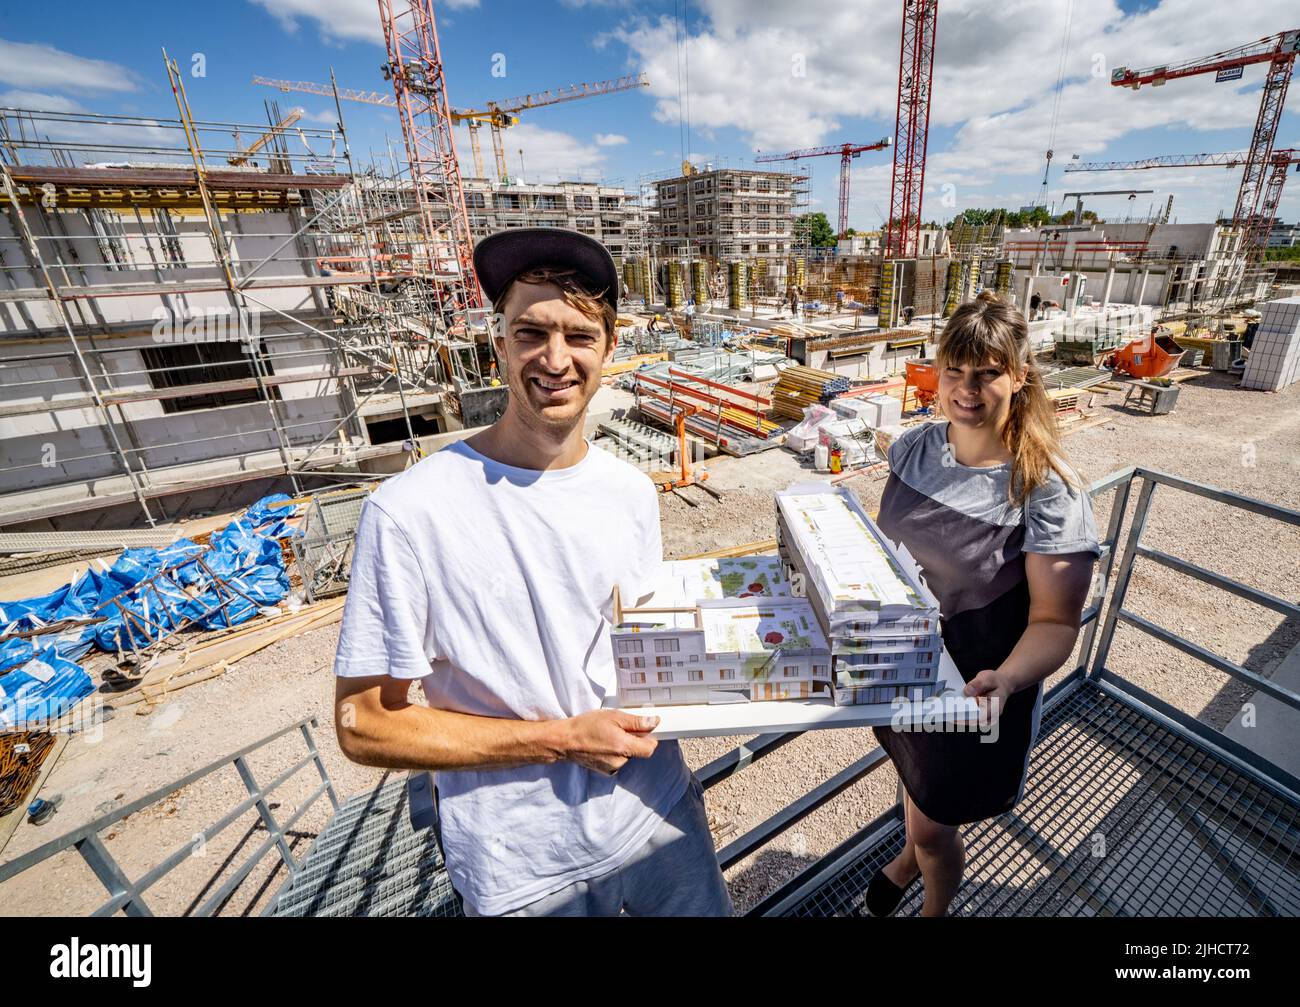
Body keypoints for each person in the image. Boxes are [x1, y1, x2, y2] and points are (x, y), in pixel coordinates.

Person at [332, 228, 732, 918]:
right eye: (531, 332)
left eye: (578, 335)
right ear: (499, 347)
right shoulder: (409, 512)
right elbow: (363, 722)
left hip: (659, 814)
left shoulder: (631, 492)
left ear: (610, 348)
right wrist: (560, 739)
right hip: (525, 871)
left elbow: (633, 647)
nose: (555, 358)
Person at [865, 289, 1100, 918]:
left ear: (1020, 377)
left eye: (988, 373)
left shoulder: (1046, 490)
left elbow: (1055, 621)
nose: (967, 389)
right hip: (908, 673)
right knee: (917, 791)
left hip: (978, 689)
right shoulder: (914, 449)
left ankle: (933, 906)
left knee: (938, 826)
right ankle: (906, 859)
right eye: (955, 370)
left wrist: (1009, 679)